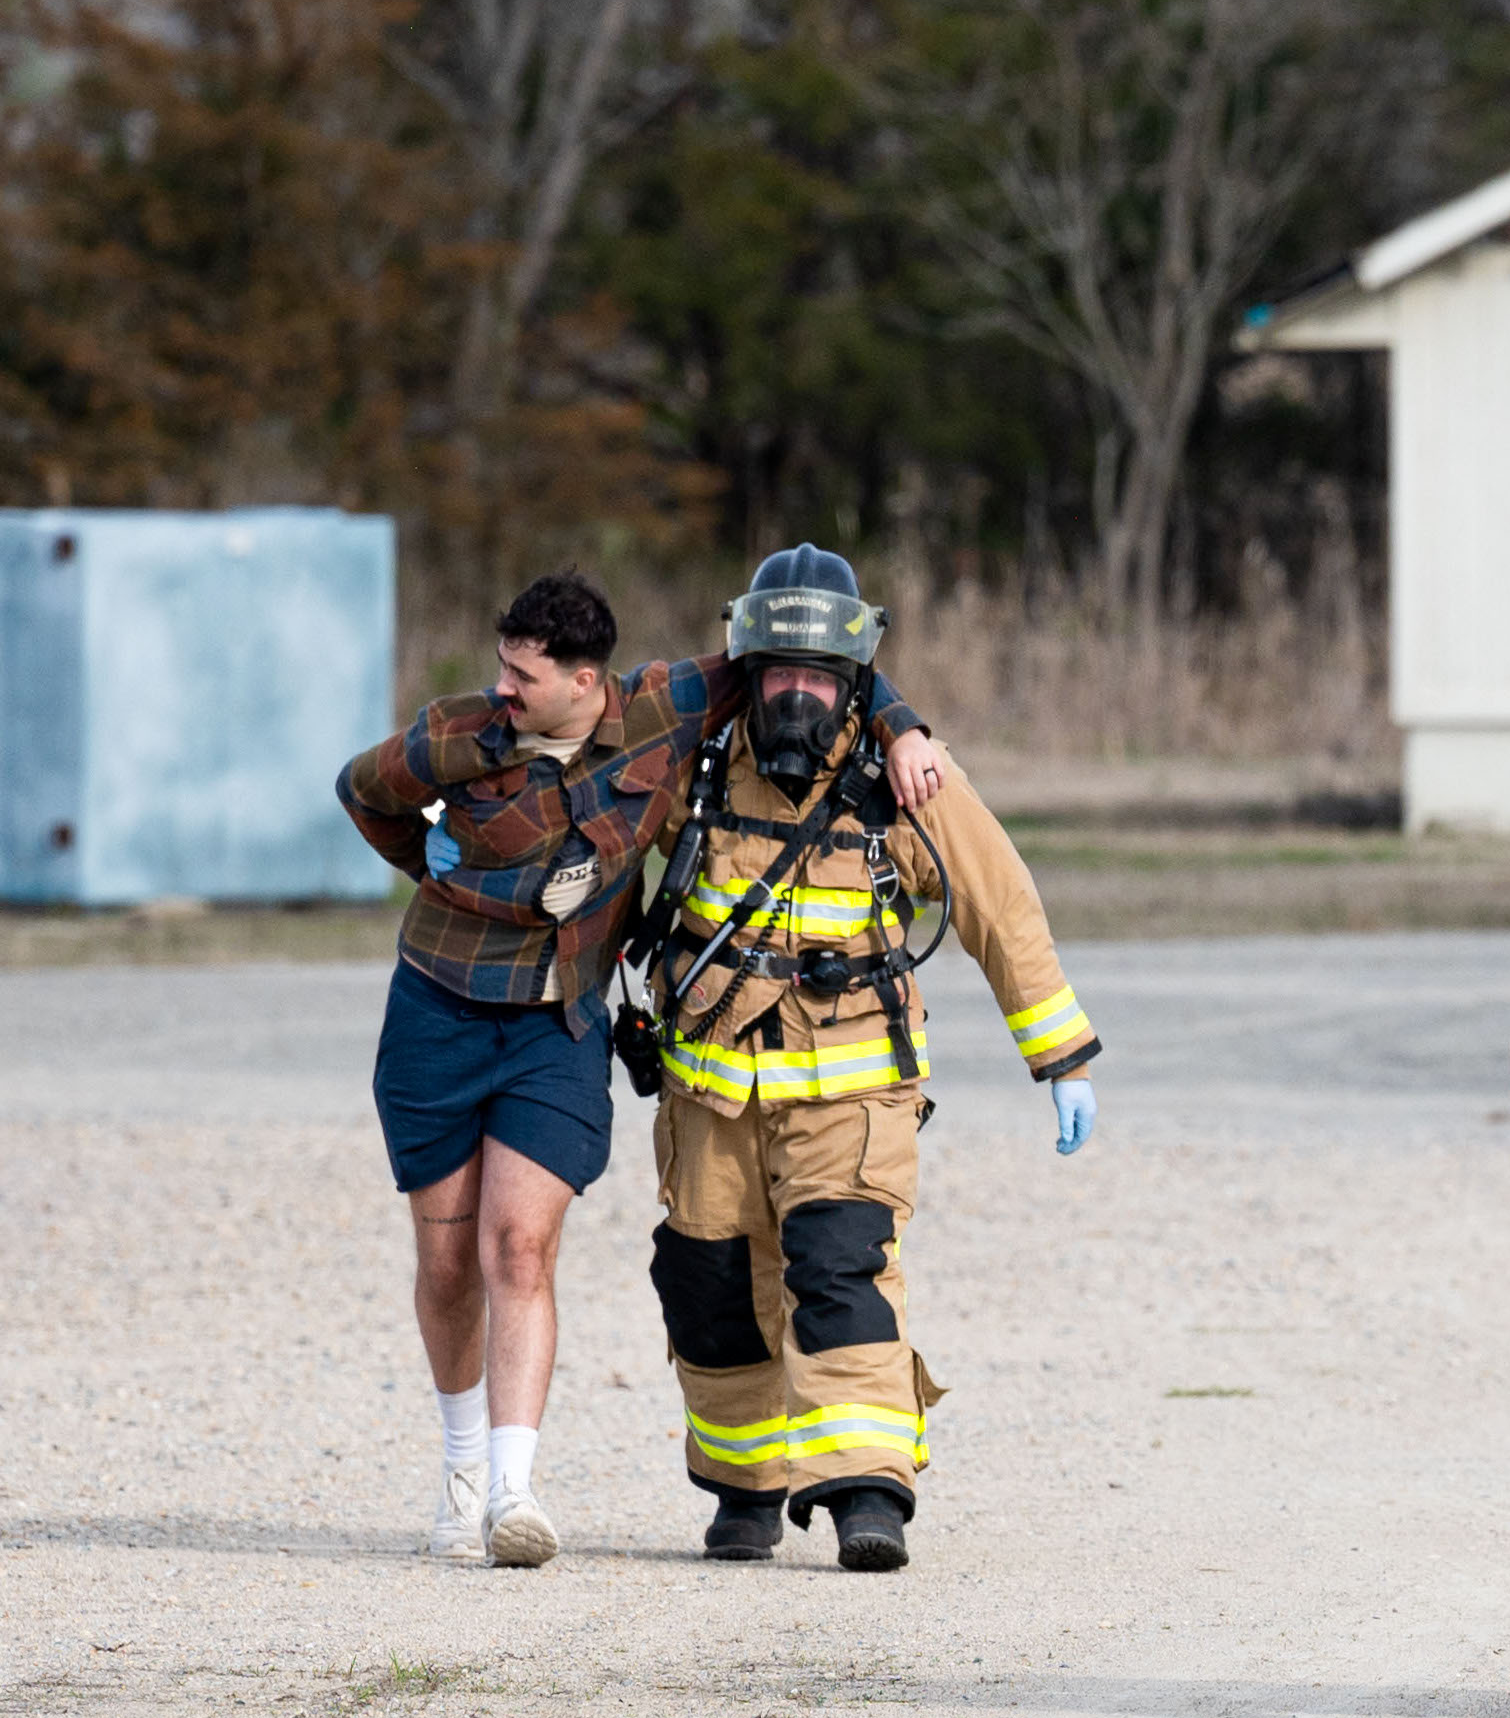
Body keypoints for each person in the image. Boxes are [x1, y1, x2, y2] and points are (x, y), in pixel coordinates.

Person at [337, 568, 944, 1569]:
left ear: (587, 680)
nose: (504, 688)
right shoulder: (456, 731)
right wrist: (429, 858)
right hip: (439, 1008)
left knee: (518, 1248)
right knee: (448, 1265)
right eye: (501, 666)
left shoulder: (661, 708)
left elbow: (796, 657)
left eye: (523, 675)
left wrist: (903, 725)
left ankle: (509, 1490)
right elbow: (362, 789)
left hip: (557, 1021)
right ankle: (458, 1466)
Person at [635, 545, 1101, 1573]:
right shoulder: (697, 766)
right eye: (777, 673)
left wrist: (1059, 1053)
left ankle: (865, 1494)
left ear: (851, 678)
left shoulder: (904, 779)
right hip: (708, 1088)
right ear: (748, 672)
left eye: (818, 675)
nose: (796, 694)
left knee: (840, 1273)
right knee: (708, 1283)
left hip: (851, 1089)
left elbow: (998, 903)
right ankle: (744, 1489)